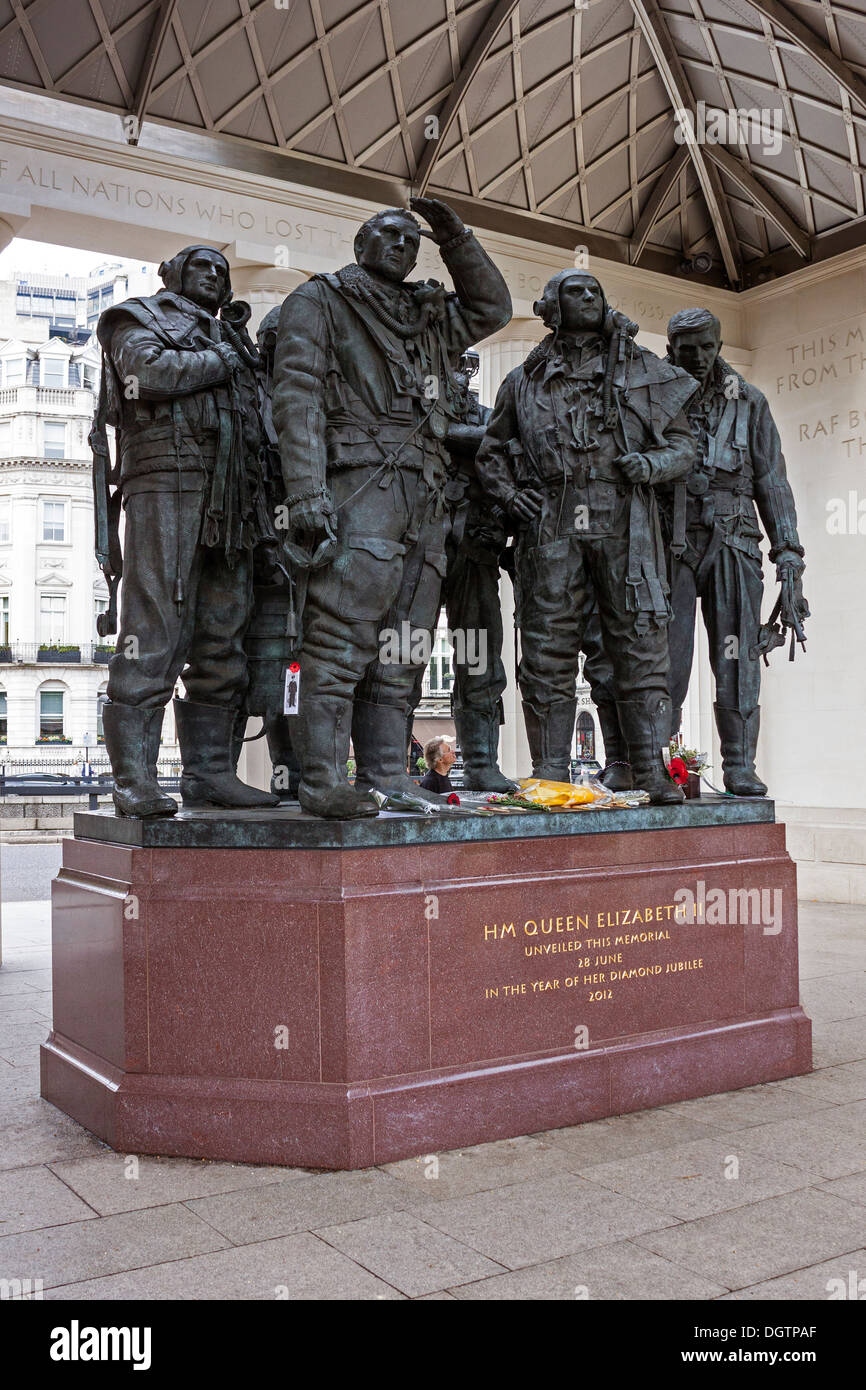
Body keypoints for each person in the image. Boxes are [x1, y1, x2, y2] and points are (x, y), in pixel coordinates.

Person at [271, 198, 512, 818]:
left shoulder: (426, 315)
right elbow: (295, 396)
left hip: (424, 493)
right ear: (360, 244)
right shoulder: (320, 299)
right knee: (339, 634)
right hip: (359, 484)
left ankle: (384, 772)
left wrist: (455, 237)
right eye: (389, 234)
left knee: (406, 641)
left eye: (413, 239)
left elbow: (493, 308)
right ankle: (322, 779)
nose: (404, 245)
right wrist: (305, 492)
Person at [475, 270, 698, 804]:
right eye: (575, 290)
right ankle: (549, 771)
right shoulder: (523, 380)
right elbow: (490, 451)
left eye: (595, 290)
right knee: (546, 646)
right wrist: (509, 496)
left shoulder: (643, 369)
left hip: (624, 518)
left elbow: (686, 449)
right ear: (551, 305)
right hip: (551, 521)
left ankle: (649, 769)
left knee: (639, 645)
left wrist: (649, 463)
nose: (588, 297)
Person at [92, 245, 279, 816]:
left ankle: (209, 775)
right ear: (169, 274)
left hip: (236, 498)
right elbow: (144, 374)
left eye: (222, 270)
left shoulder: (235, 341)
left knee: (225, 635)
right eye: (202, 265)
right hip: (166, 482)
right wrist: (224, 360)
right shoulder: (136, 316)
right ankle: (133, 781)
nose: (216, 275)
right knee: (153, 628)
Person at [662, 307, 808, 794]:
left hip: (735, 538)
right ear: (670, 350)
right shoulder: (652, 398)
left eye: (707, 347)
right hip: (672, 538)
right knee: (665, 657)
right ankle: (657, 764)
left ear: (720, 346)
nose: (699, 357)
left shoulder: (750, 401)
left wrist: (787, 549)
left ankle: (739, 764)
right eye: (688, 350)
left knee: (738, 655)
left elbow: (772, 479)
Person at [405, 349, 515, 791]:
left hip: (475, 548)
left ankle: (484, 761)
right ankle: (390, 765)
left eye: (467, 366)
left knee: (479, 655)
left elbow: (510, 446)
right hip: (418, 546)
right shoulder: (410, 410)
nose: (460, 375)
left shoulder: (491, 417)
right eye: (450, 363)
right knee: (403, 652)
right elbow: (431, 430)